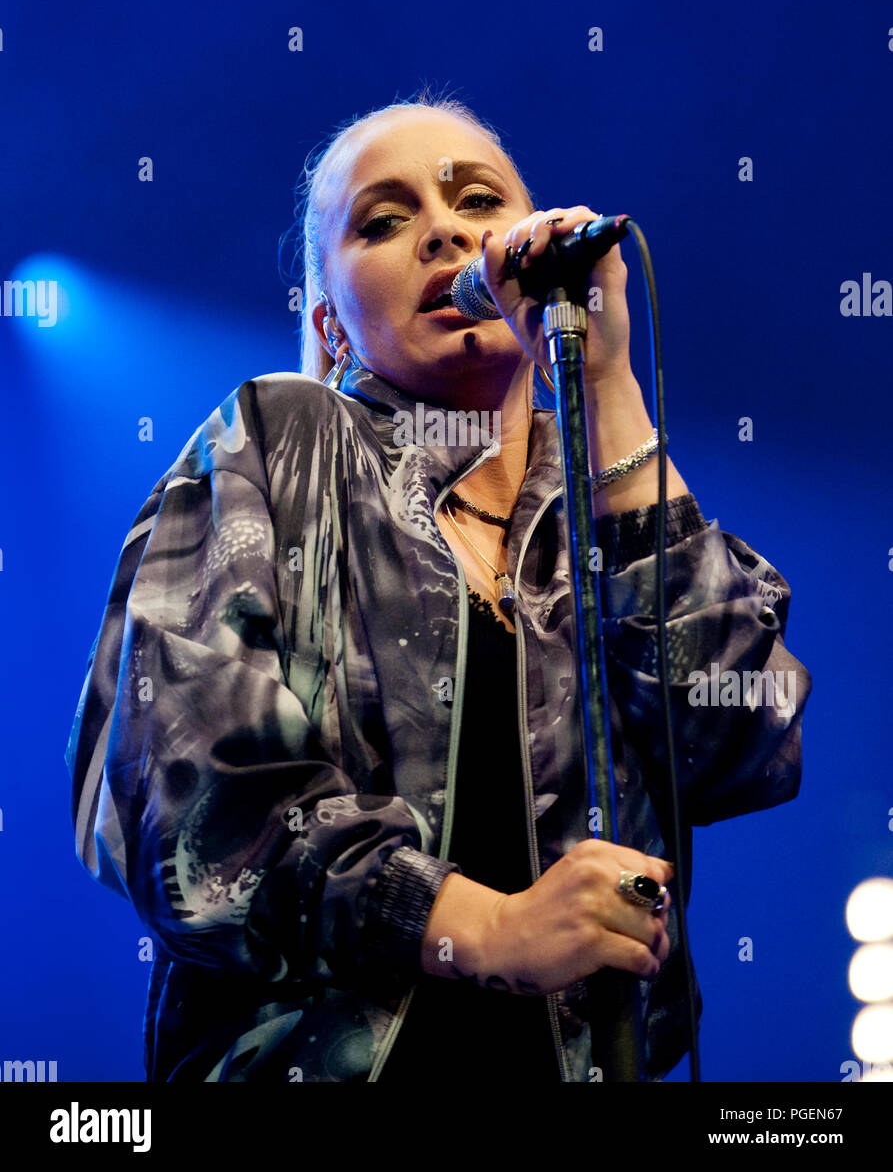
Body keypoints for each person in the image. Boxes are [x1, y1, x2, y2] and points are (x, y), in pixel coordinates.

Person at [65, 90, 811, 1083]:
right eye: (384, 219)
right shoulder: (280, 442)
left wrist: (608, 386)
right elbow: (182, 793)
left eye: (477, 203)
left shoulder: (598, 505)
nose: (446, 229)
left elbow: (743, 745)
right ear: (329, 324)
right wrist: (484, 927)